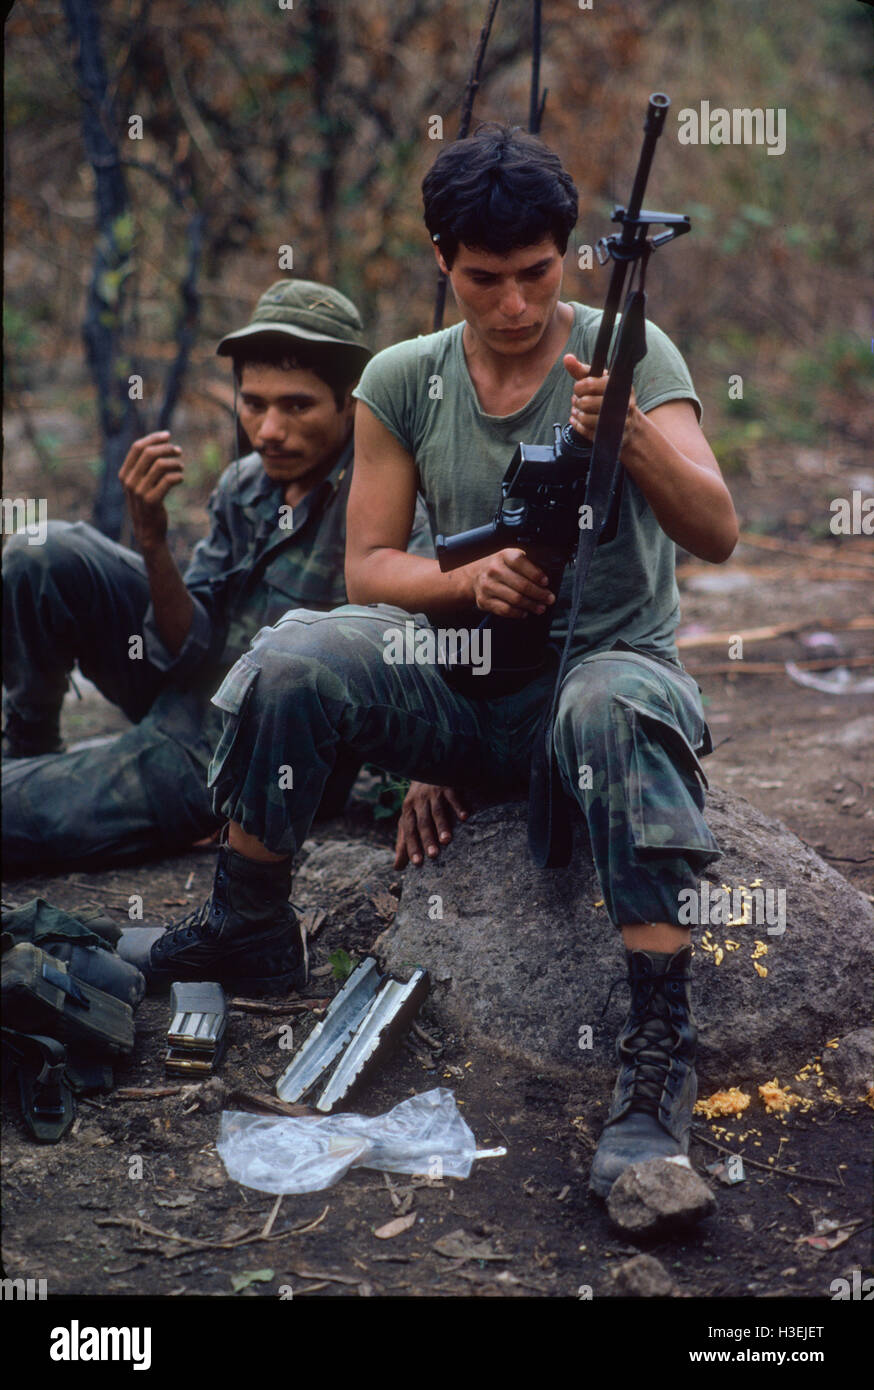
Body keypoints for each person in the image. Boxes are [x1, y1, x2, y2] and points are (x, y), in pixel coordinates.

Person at [121, 125, 739, 1198]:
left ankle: (654, 1058)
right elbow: (366, 568)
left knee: (606, 703)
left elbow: (718, 531)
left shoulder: (631, 354)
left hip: (603, 672)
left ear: (566, 256)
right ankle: (249, 926)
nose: (513, 304)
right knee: (297, 654)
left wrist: (628, 434)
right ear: (441, 261)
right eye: (484, 278)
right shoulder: (404, 377)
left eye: (537, 275)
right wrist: (469, 582)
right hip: (467, 680)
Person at [2, 279, 428, 886]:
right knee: (41, 550)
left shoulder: (384, 494)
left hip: (239, 751)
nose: (268, 430)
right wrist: (151, 539)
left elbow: (424, 643)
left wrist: (431, 770)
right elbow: (188, 643)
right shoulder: (246, 483)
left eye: (296, 405)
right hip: (188, 689)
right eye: (254, 403)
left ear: (350, 403)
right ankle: (29, 745)